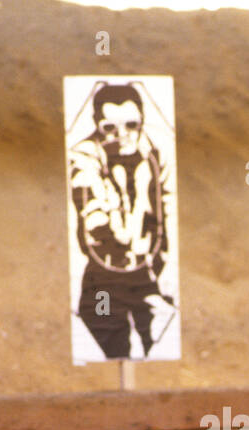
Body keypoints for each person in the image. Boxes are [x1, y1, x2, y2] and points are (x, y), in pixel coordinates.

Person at [68, 83, 176, 360]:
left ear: (142, 121)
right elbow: (91, 206)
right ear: (97, 126)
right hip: (104, 273)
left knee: (159, 338)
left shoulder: (158, 152)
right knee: (105, 329)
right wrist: (111, 222)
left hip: (149, 270)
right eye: (110, 128)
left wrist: (165, 267)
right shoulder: (84, 156)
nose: (122, 135)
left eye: (131, 125)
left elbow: (169, 203)